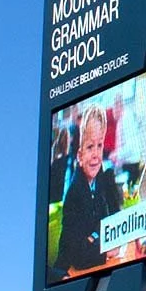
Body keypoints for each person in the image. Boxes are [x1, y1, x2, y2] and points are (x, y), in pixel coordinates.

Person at [54, 103, 122, 274]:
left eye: (99, 146)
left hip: (100, 266)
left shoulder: (105, 180)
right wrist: (103, 248)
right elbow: (78, 255)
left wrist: (95, 237)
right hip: (69, 275)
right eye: (90, 147)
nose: (96, 155)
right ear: (80, 155)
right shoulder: (73, 194)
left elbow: (116, 222)